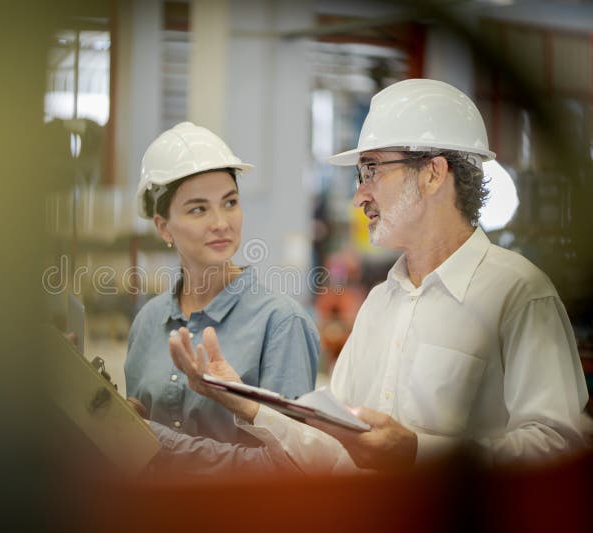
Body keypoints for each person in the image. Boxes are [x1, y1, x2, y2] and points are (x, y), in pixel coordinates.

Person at [168, 79, 590, 472]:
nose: (358, 196)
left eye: (371, 170)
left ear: (432, 173)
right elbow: (333, 446)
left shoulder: (518, 294)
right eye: (359, 175)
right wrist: (244, 403)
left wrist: (415, 452)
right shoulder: (380, 304)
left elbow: (560, 448)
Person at [125, 122, 320, 453]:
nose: (221, 222)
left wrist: (161, 448)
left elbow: (294, 464)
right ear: (163, 227)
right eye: (199, 208)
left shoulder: (282, 323)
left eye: (230, 202)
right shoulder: (147, 321)